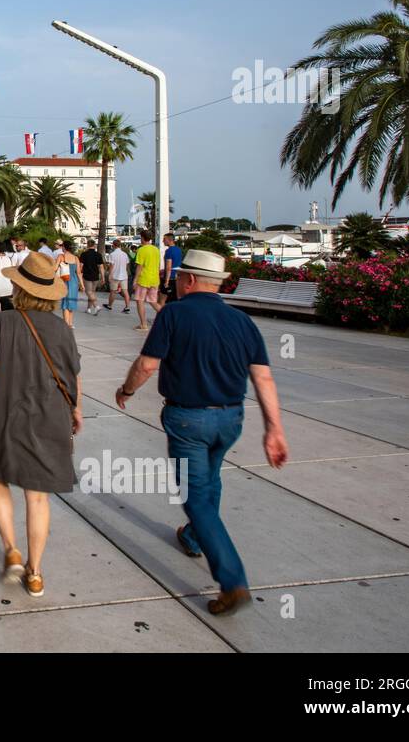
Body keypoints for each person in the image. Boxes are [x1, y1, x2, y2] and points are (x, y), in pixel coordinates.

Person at [115, 249, 289, 616]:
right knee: (209, 478)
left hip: (188, 420)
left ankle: (233, 581)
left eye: (178, 277)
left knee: (194, 495)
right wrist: (274, 429)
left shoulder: (175, 313)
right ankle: (194, 536)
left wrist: (126, 391)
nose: (174, 282)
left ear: (189, 280)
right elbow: (263, 377)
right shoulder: (241, 321)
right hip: (231, 419)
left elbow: (147, 365)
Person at [0, 250, 83, 599]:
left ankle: (11, 548)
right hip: (50, 416)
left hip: (6, 415)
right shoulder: (62, 328)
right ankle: (36, 572)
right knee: (38, 497)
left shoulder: (1, 323)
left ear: (19, 288)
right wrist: (76, 409)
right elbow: (74, 374)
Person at [131, 235, 163, 331]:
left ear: (142, 238)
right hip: (154, 279)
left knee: (140, 300)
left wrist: (135, 280)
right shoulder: (156, 250)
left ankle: (143, 324)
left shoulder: (141, 250)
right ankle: (168, 317)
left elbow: (139, 266)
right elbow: (158, 265)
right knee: (153, 301)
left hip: (143, 279)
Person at [57, 240, 81, 328]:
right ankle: (70, 323)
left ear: (64, 247)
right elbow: (78, 272)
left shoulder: (61, 256)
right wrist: (81, 284)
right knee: (71, 302)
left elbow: (55, 268)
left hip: (64, 281)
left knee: (65, 303)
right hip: (74, 282)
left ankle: (66, 324)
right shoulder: (75, 258)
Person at [105, 240, 131, 313]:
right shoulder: (125, 254)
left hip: (115, 275)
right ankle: (127, 307)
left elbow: (111, 266)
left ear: (113, 245)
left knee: (113, 291)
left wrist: (109, 275)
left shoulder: (112, 254)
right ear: (120, 245)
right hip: (123, 275)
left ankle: (110, 305)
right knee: (125, 292)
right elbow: (126, 265)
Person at [79, 240, 104, 315]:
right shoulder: (98, 254)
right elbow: (101, 267)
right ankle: (88, 309)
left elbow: (81, 266)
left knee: (89, 292)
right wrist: (103, 277)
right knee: (92, 293)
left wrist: (79, 274)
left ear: (87, 245)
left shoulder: (84, 254)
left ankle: (96, 306)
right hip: (95, 276)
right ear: (94, 245)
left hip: (87, 276)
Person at [161, 233, 183, 302]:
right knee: (174, 300)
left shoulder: (169, 251)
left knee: (161, 301)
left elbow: (168, 267)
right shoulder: (179, 250)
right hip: (177, 278)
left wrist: (166, 281)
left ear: (169, 240)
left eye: (164, 239)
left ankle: (162, 312)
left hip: (170, 278)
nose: (163, 241)